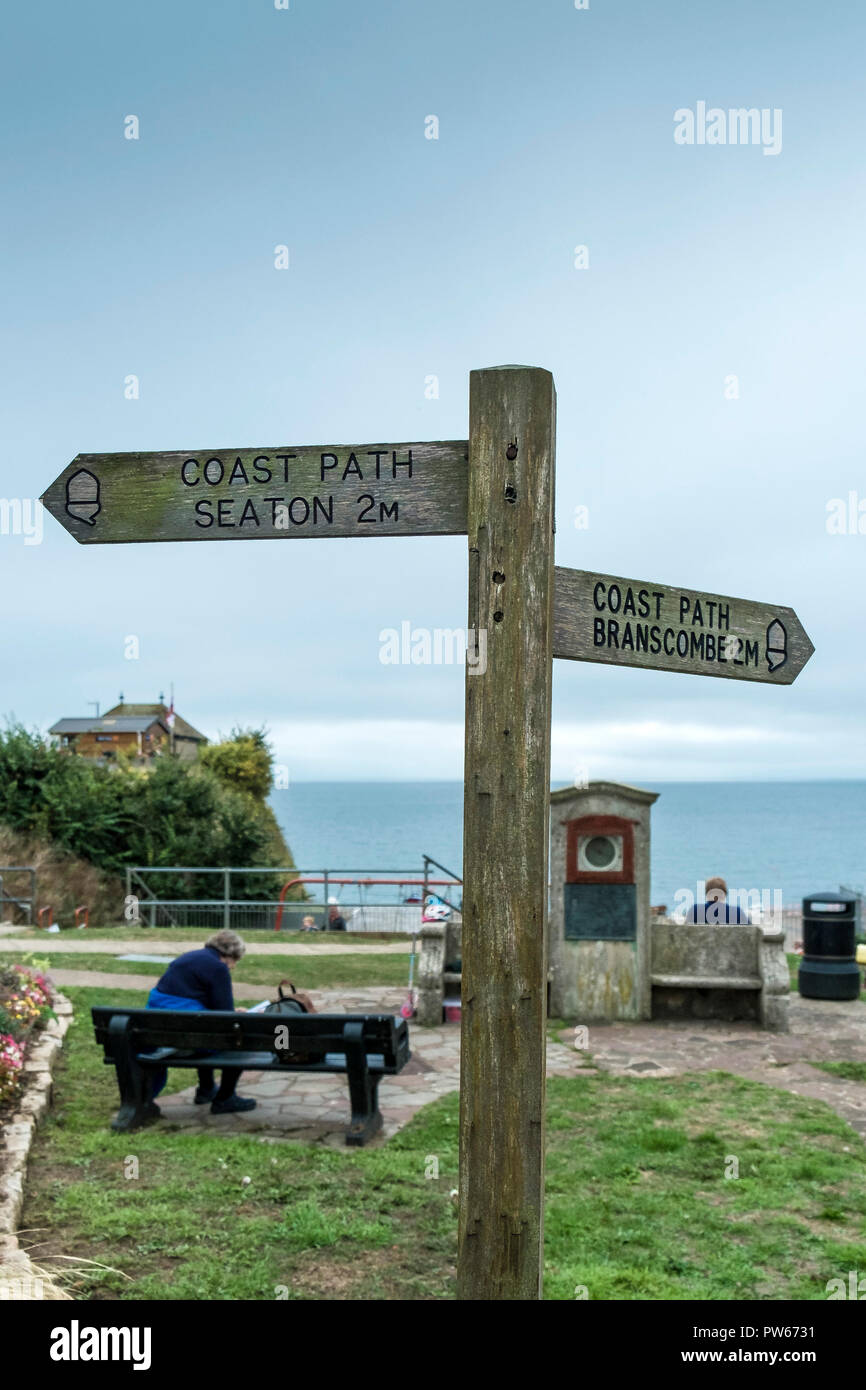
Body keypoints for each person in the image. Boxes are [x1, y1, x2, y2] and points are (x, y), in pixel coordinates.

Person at [146, 928, 257, 1114]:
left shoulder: (186, 958)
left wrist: (229, 1010)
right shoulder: (218, 967)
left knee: (202, 1028)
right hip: (185, 1040)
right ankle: (225, 1098)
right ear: (230, 955)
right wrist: (238, 1014)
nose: (233, 967)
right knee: (239, 1038)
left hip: (158, 1034)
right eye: (235, 961)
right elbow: (225, 1017)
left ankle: (206, 1089)